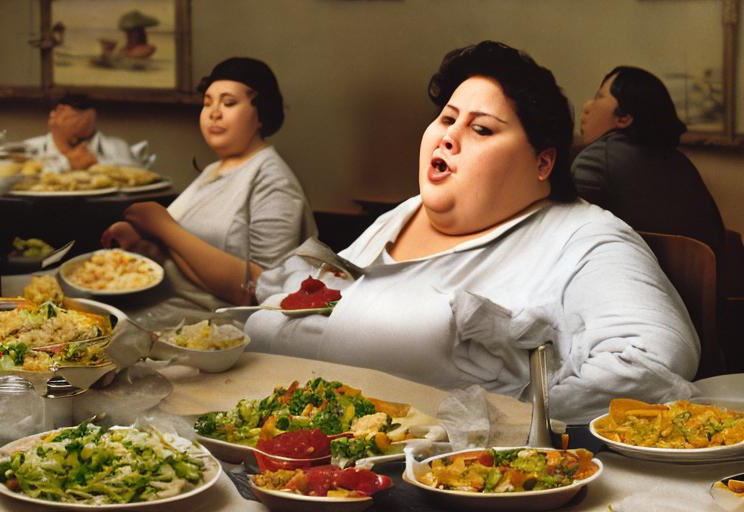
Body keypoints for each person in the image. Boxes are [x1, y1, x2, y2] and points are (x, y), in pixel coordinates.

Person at [239, 42, 699, 424]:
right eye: (445, 118)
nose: (449, 136)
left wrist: (499, 425)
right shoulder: (400, 216)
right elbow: (306, 308)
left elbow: (652, 362)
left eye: (480, 128)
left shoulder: (584, 237)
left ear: (543, 162)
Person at [101, 57, 317, 315]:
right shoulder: (213, 170)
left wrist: (162, 226)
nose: (214, 112)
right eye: (207, 103)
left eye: (229, 103)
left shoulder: (273, 180)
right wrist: (144, 239)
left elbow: (262, 291)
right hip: (164, 306)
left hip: (215, 328)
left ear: (261, 114)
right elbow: (184, 256)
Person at [572, 66, 725, 259]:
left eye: (599, 97)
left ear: (624, 118)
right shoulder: (681, 162)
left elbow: (570, 240)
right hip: (708, 285)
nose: (588, 106)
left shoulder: (596, 159)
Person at [9, 93, 151, 172]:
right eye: (58, 111)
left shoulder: (116, 147)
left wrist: (96, 163)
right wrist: (67, 164)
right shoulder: (28, 147)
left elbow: (138, 175)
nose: (56, 114)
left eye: (66, 112)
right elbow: (9, 178)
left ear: (90, 117)